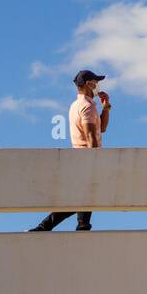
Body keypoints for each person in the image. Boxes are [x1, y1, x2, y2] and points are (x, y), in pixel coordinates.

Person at [30, 70, 111, 231]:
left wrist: (106, 108)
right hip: (86, 158)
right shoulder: (87, 107)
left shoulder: (77, 105)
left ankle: (49, 227)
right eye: (96, 82)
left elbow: (101, 128)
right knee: (83, 197)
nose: (98, 85)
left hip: (79, 158)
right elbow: (91, 137)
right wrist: (96, 161)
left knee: (80, 198)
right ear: (89, 84)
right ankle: (76, 227)